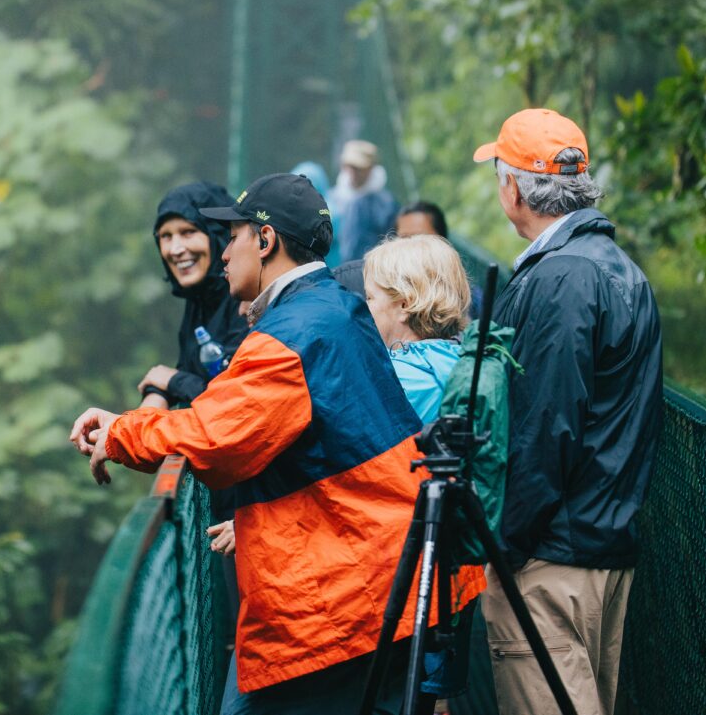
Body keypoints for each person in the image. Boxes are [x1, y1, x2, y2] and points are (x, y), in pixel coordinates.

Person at [70, 173, 482, 714]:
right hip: (383, 575)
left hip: (344, 598)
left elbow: (214, 435)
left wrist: (122, 430)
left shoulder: (291, 335)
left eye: (233, 236)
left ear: (265, 242)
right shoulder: (338, 305)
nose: (222, 254)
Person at [471, 109, 663, 715]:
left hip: (551, 560)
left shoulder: (561, 280)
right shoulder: (616, 269)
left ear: (514, 187)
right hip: (601, 540)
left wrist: (504, 547)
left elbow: (542, 429)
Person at [134, 182, 250, 409]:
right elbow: (184, 374)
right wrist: (157, 390)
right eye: (166, 236)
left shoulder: (245, 299)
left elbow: (236, 401)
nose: (175, 249)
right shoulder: (199, 298)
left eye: (188, 232)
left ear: (219, 237)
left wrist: (172, 381)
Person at [361, 234, 469, 425]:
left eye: (370, 297)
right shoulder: (464, 362)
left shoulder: (391, 380)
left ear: (405, 305)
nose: (364, 307)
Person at [330, 139, 398, 262]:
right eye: (349, 166)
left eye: (358, 168)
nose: (353, 172)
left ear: (370, 168)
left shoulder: (385, 204)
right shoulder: (333, 198)